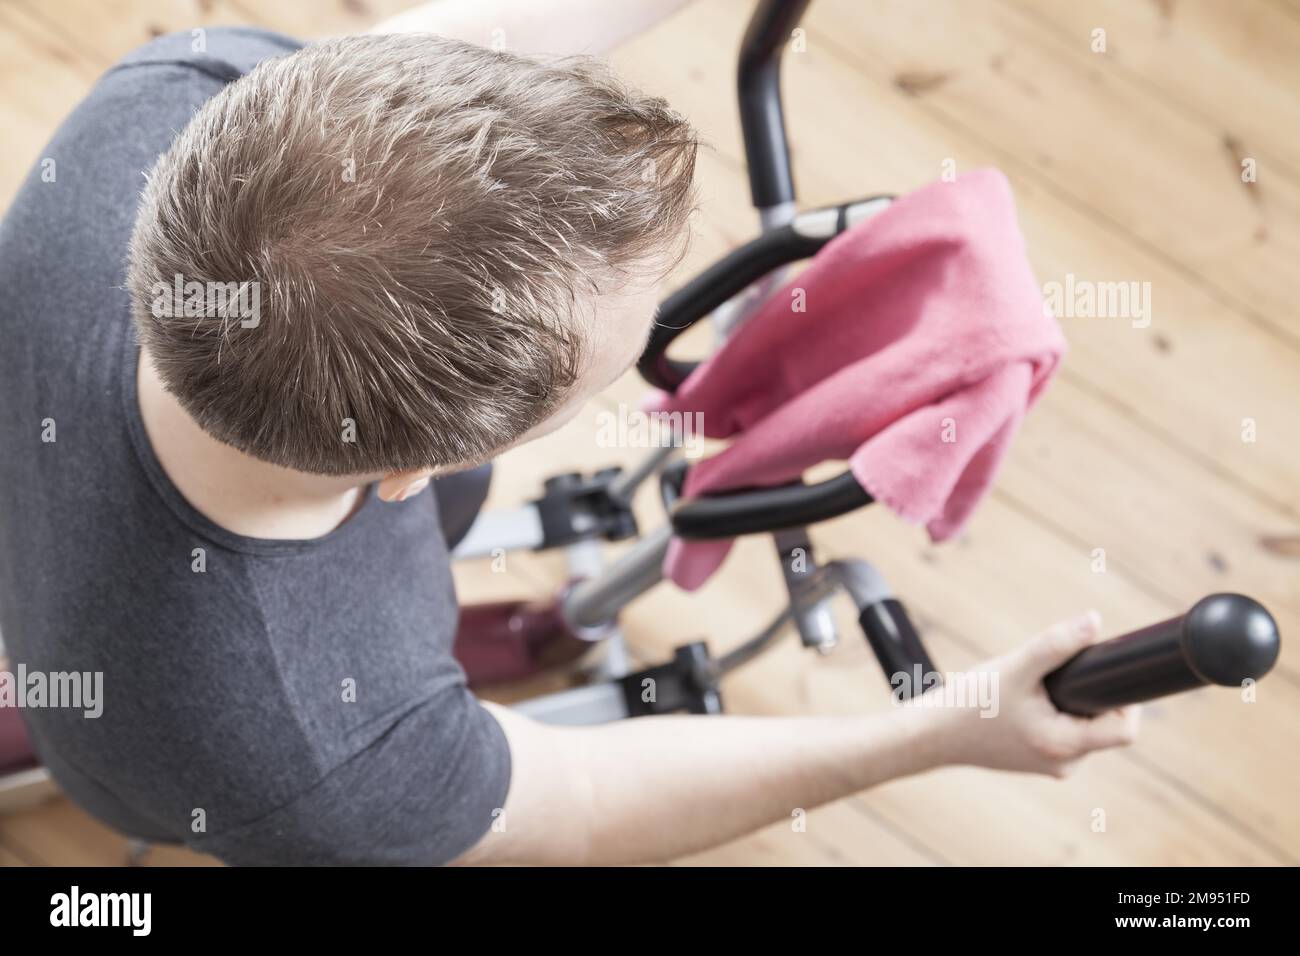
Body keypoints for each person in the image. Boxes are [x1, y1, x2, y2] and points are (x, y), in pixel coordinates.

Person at [0, 0, 1139, 866]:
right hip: (141, 754)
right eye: (606, 367)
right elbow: (583, 799)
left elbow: (469, 49)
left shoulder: (162, 108)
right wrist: (939, 733)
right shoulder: (314, 743)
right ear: (416, 467)